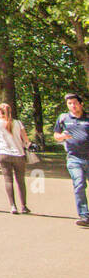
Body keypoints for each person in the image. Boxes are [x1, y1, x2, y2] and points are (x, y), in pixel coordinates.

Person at [52, 92, 89, 227]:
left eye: (75, 103)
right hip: (74, 158)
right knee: (79, 184)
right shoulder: (63, 118)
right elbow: (56, 135)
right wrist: (61, 137)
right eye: (69, 103)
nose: (72, 106)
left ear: (81, 104)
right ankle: (84, 216)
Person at [0, 103, 30, 215]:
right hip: (18, 154)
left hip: (3, 153)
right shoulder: (17, 123)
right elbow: (25, 139)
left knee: (8, 180)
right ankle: (24, 206)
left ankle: (12, 206)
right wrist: (27, 146)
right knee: (20, 181)